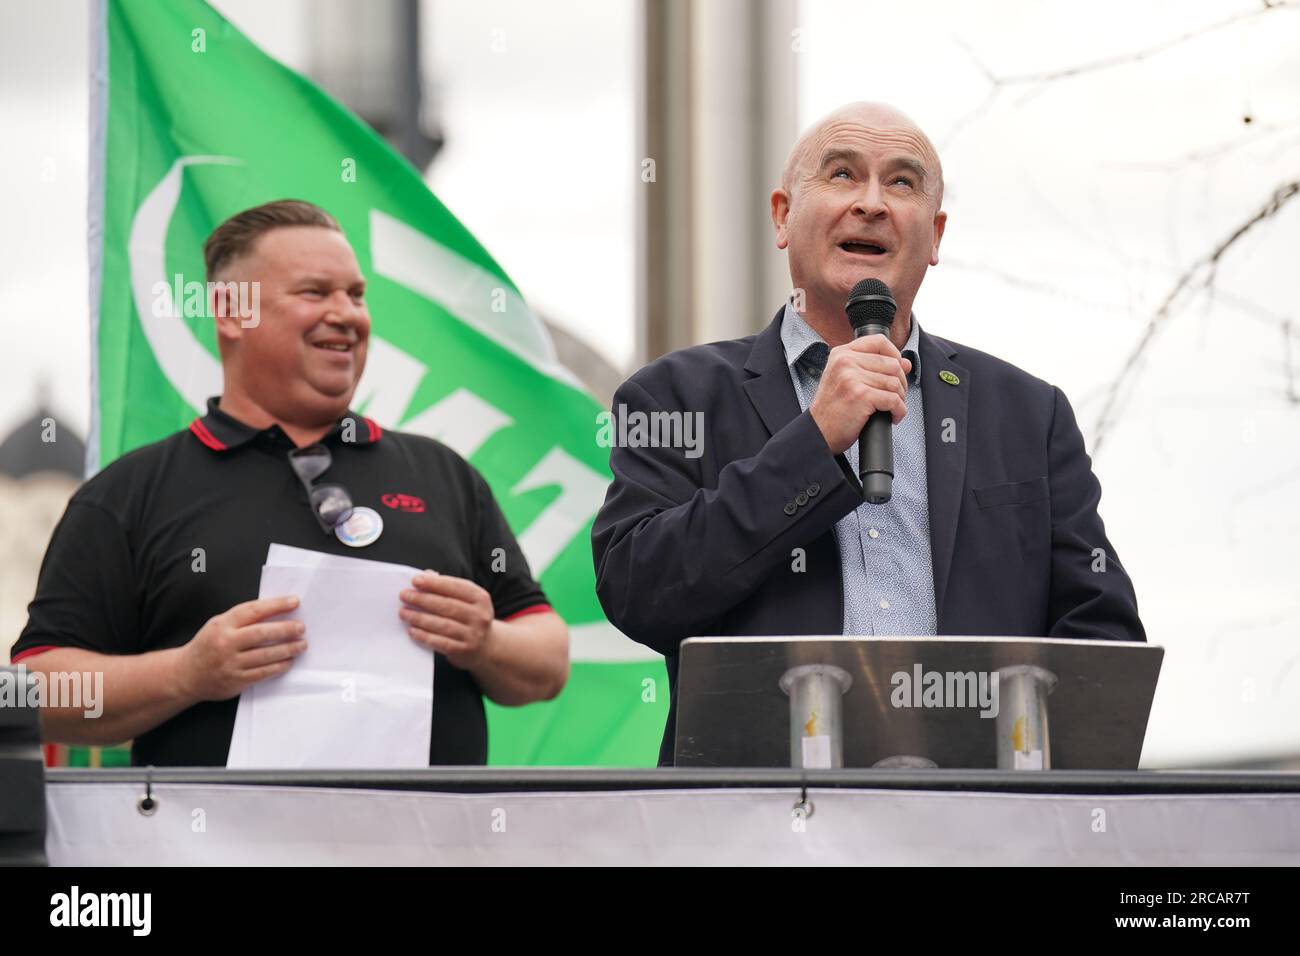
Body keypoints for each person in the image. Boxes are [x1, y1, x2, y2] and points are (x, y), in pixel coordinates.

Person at [592, 102, 1145, 766]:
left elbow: (1102, 637)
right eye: (843, 175)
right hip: (756, 824)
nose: (873, 204)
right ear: (781, 216)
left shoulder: (1028, 415)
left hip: (976, 827)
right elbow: (639, 591)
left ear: (935, 236)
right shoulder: (678, 396)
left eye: (902, 183)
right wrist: (812, 443)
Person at [11, 199, 569, 765]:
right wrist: (186, 673)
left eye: (355, 294)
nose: (347, 314)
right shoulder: (131, 493)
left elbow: (549, 659)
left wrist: (487, 641)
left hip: (427, 846)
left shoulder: (444, 474)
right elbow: (34, 689)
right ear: (231, 313)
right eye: (314, 292)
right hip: (212, 848)